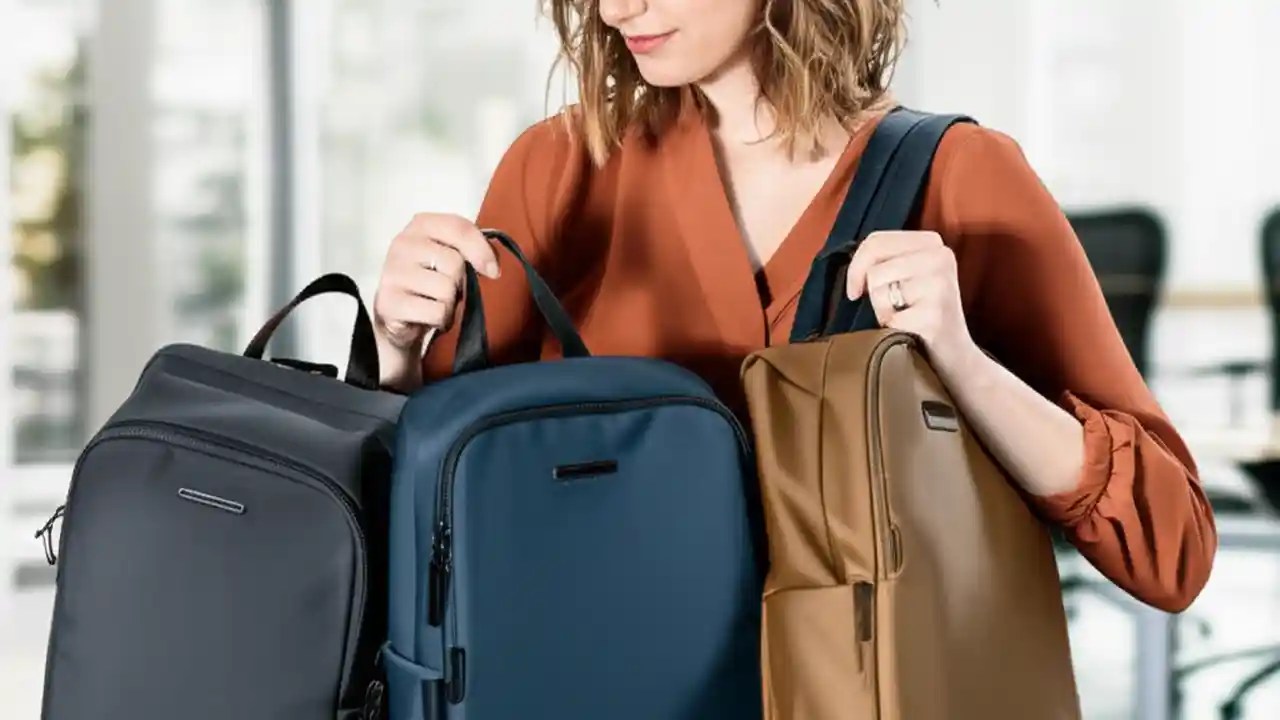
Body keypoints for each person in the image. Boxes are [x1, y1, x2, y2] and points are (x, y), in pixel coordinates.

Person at [371, 0, 1216, 613]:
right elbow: (432, 512)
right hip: (600, 679)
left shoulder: (960, 177)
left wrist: (961, 363)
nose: (617, 7)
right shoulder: (558, 169)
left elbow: (1171, 550)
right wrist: (398, 346)